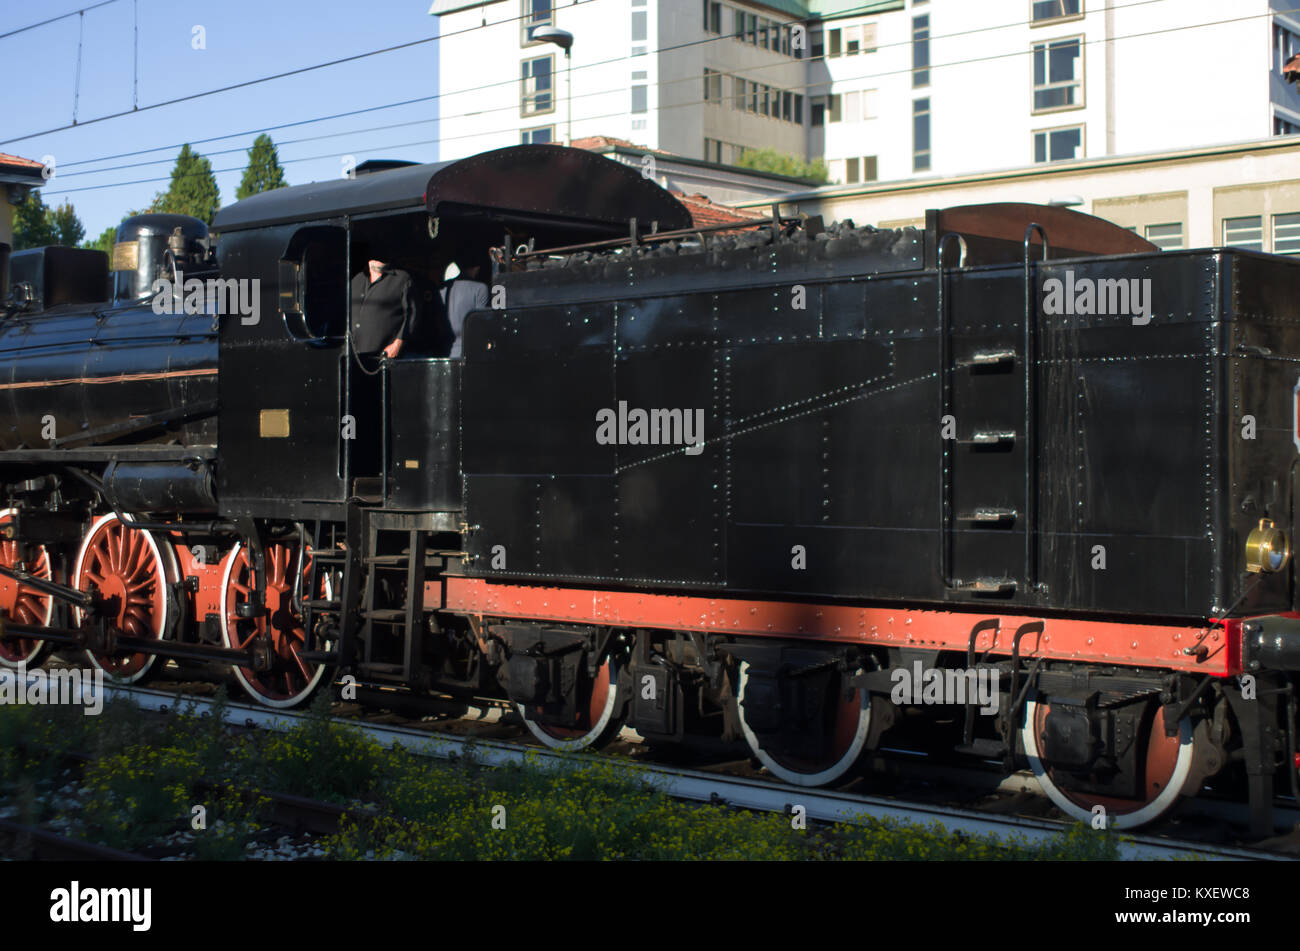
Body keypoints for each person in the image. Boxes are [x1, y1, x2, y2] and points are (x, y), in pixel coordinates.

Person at [350, 253, 416, 359]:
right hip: (353, 356)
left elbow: (412, 315)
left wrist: (398, 343)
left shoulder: (402, 279)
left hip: (383, 358)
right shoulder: (356, 280)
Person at [441, 256, 489, 359]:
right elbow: (481, 325)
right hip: (470, 353)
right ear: (476, 269)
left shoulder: (443, 288)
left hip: (444, 353)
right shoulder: (480, 288)